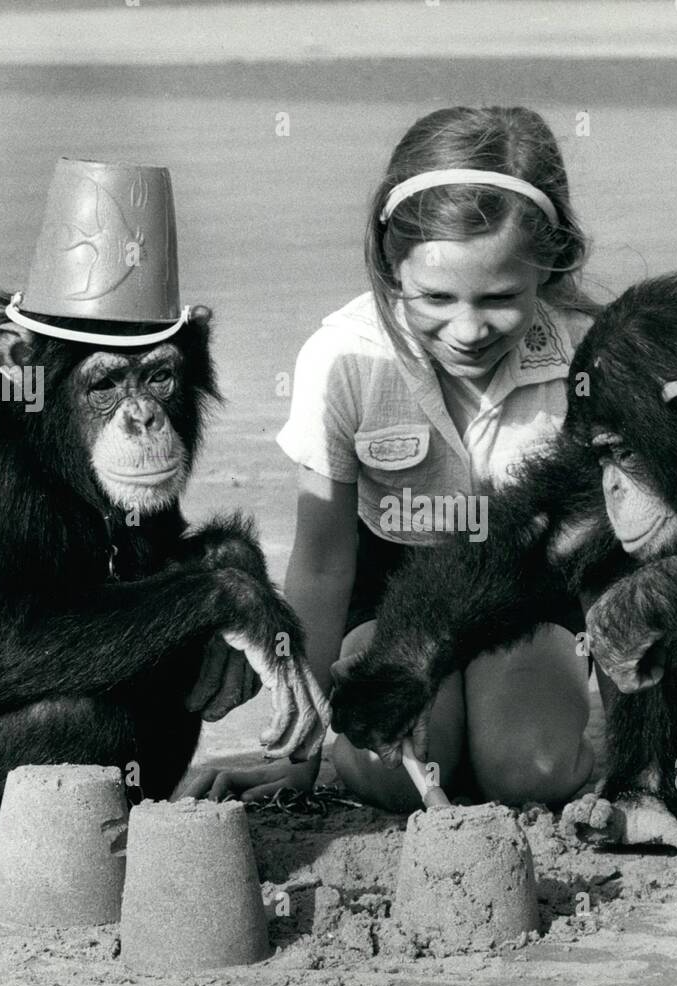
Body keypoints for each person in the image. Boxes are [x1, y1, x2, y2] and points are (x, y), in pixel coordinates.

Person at [220, 105, 601, 810]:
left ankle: (513, 729)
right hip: (390, 592)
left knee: (533, 771)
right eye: (435, 297)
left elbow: (620, 548)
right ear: (390, 262)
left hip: (525, 596)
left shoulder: (587, 352)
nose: (467, 327)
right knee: (383, 773)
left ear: (550, 264)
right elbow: (324, 561)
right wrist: (300, 762)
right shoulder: (343, 357)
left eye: (500, 297)